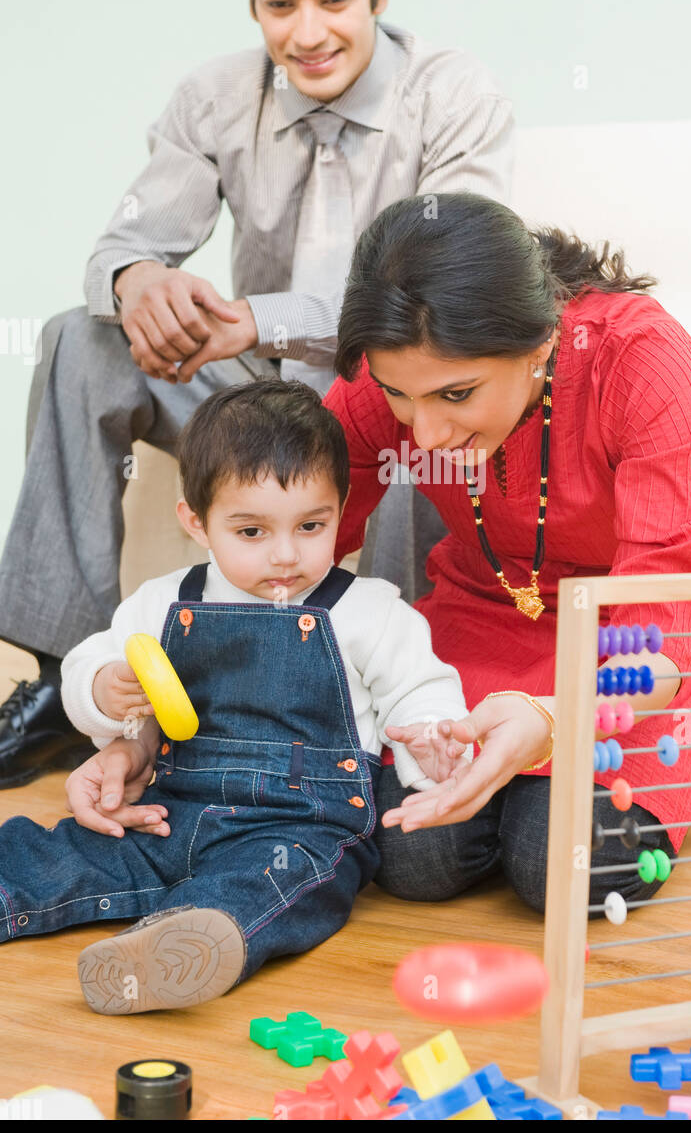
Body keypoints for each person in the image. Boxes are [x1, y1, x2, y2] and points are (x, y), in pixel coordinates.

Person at [0, 0, 513, 787]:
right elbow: (117, 247)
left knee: (417, 425)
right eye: (280, 4)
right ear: (252, 2)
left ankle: (393, 710)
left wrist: (259, 319)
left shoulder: (451, 94)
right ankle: (66, 682)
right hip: (251, 404)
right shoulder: (213, 95)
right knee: (82, 339)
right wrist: (141, 280)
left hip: (382, 392)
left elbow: (447, 289)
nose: (308, 32)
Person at [324, 192, 691, 913]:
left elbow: (659, 627)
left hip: (640, 645)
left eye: (456, 394)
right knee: (413, 855)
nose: (425, 433)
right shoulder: (396, 371)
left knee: (560, 867)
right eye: (400, 397)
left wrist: (554, 718)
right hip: (481, 619)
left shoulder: (644, 363)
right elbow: (293, 546)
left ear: (538, 345)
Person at [0, 379, 471, 1013]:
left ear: (342, 506)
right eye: (251, 532)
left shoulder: (367, 609)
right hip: (169, 810)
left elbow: (422, 689)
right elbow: (93, 662)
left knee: (275, 886)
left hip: (300, 826)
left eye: (311, 525)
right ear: (196, 520)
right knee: (56, 852)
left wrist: (433, 742)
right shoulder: (164, 600)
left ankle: (178, 946)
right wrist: (103, 689)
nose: (286, 555)